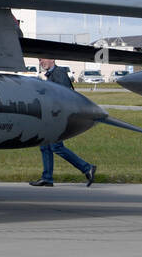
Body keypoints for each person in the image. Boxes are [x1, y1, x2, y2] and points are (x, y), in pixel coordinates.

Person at [30, 59, 97, 187]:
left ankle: (87, 168)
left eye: (43, 59)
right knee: (45, 146)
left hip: (58, 117)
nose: (41, 61)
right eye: (39, 59)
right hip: (50, 117)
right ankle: (47, 178)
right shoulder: (50, 74)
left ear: (52, 59)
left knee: (56, 147)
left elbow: (63, 94)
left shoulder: (59, 72)